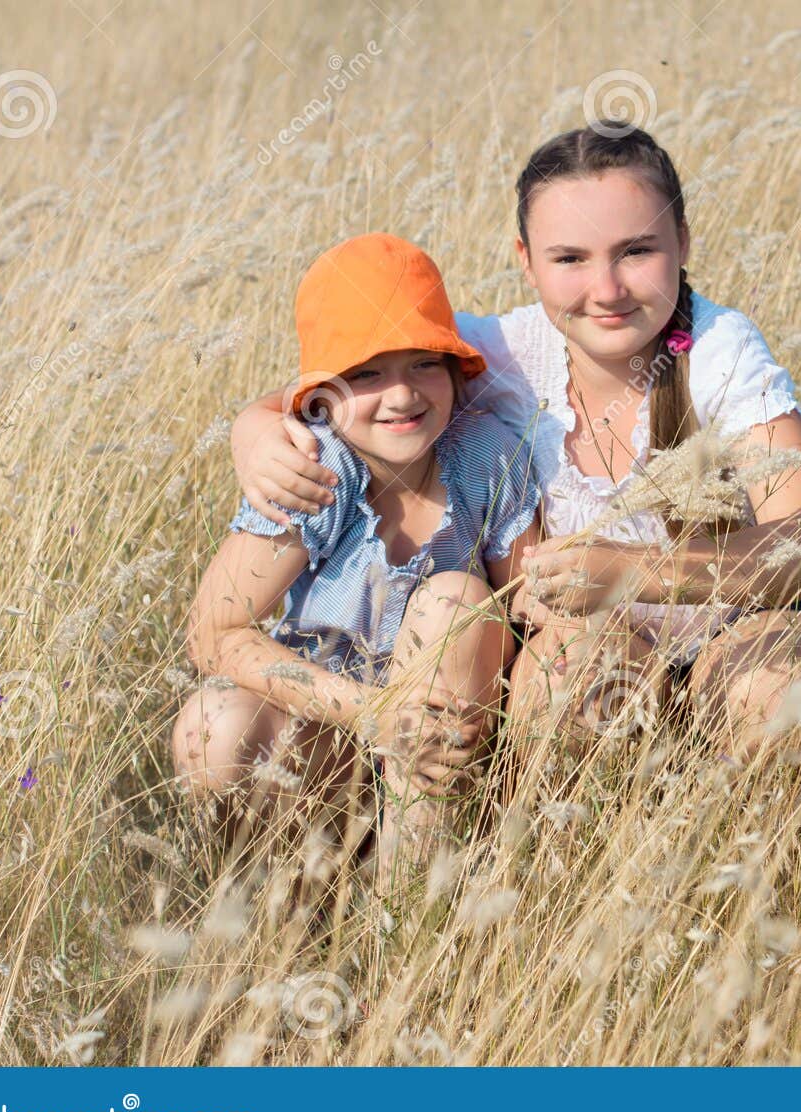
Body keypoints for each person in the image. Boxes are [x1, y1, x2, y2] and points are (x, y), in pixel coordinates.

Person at [229, 124, 801, 765]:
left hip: (746, 627)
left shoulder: (719, 348)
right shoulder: (504, 352)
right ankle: (582, 856)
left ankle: (763, 851)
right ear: (526, 260)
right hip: (601, 643)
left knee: (776, 690)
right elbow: (356, 380)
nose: (608, 290)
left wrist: (632, 570)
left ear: (683, 243)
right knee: (567, 682)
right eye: (570, 259)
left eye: (637, 251)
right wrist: (253, 432)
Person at [173, 233, 541, 893]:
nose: (400, 397)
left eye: (424, 364)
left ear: (457, 371)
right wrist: (371, 714)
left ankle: (408, 910)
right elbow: (213, 630)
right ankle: (285, 908)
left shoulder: (486, 454)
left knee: (456, 599)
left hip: (449, 748)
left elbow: (529, 604)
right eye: (367, 373)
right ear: (320, 397)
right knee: (214, 726)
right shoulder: (313, 471)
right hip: (331, 739)